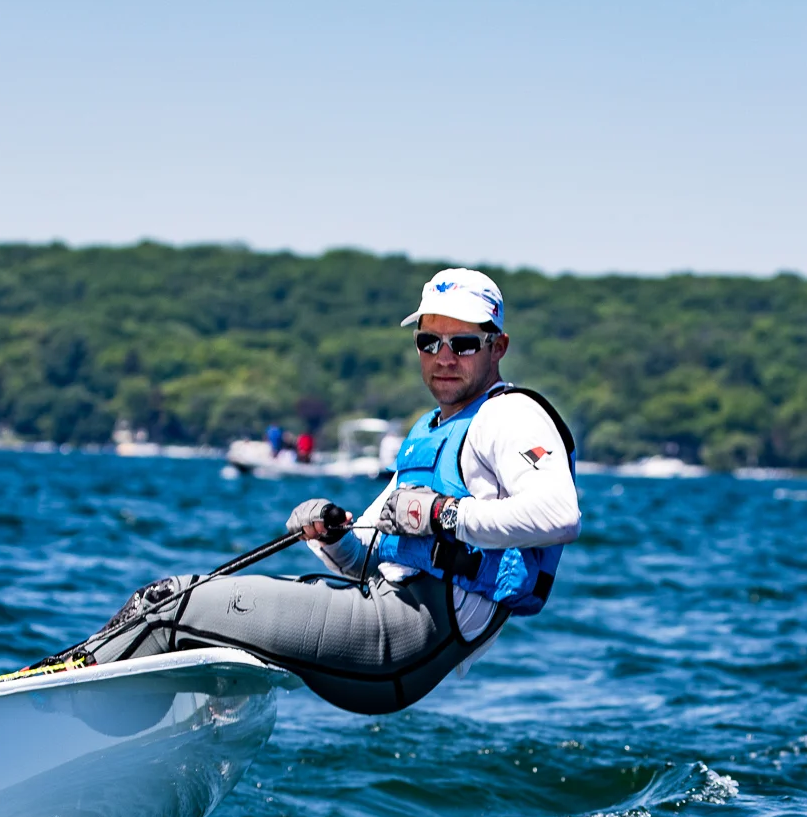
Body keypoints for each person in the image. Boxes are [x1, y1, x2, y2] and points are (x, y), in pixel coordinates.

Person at [69, 268, 580, 715]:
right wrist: (335, 538)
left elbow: (560, 515)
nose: (443, 357)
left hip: (399, 640)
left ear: (499, 347)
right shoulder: (432, 429)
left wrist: (444, 515)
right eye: (429, 342)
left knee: (163, 605)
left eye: (463, 343)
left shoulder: (508, 414)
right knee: (188, 623)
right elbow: (370, 560)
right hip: (386, 627)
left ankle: (56, 696)